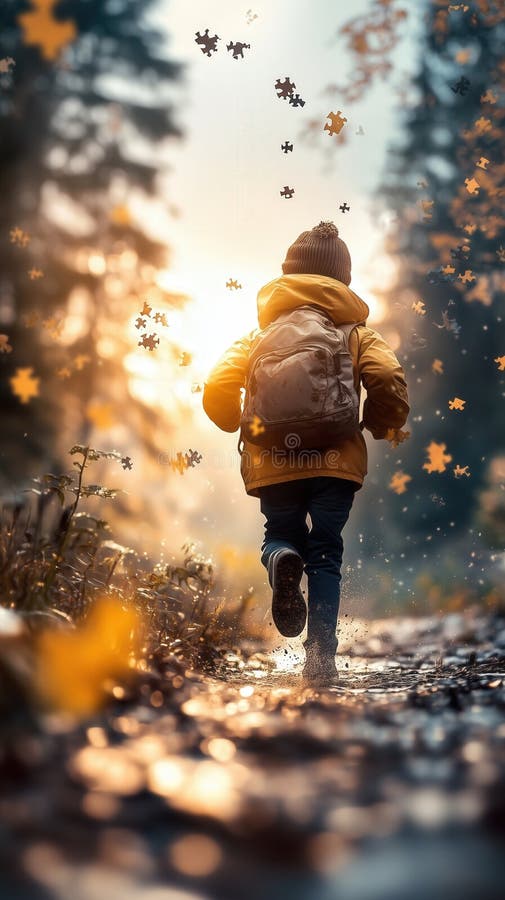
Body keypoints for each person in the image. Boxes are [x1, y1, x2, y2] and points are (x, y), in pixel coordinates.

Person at [202, 221, 410, 681]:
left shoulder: (259, 337)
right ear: (343, 280)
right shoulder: (356, 334)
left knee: (280, 530)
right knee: (325, 553)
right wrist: (380, 422)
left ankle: (279, 558)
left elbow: (218, 384)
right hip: (336, 460)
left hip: (273, 456)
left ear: (288, 276)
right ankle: (320, 660)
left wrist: (238, 422)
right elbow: (388, 380)